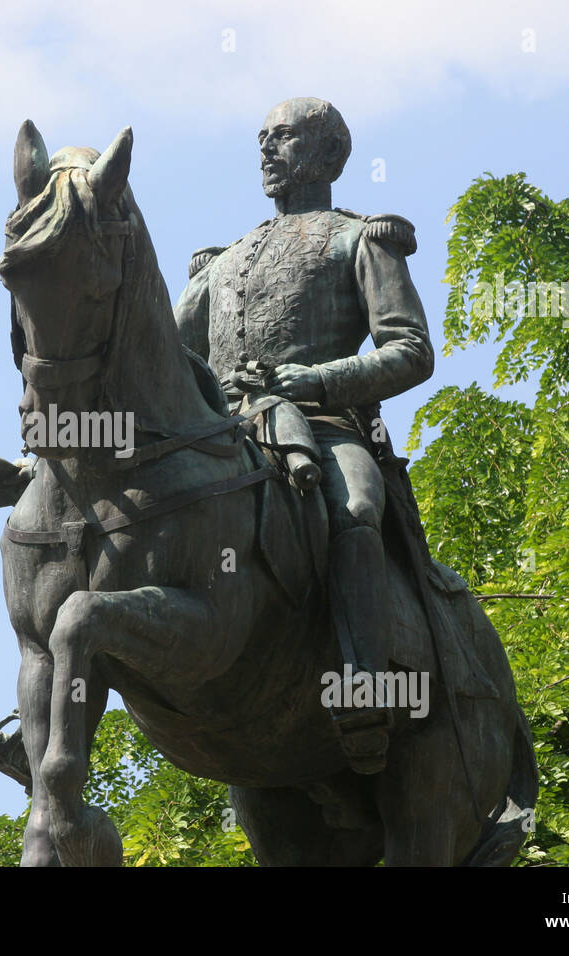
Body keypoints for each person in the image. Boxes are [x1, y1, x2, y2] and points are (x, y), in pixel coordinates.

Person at [173, 97, 434, 774]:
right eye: (261, 138)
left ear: (328, 155)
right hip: (217, 432)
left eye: (283, 137)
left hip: (322, 426)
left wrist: (310, 382)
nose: (266, 149)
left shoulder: (362, 240)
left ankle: (363, 683)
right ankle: (49, 720)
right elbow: (165, 359)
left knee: (353, 510)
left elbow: (409, 351)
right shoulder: (221, 264)